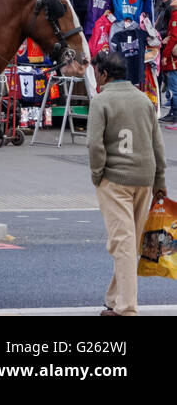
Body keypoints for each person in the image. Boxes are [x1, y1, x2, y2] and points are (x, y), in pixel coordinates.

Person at [87, 49, 167, 316]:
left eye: (96, 71)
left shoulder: (101, 101)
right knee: (127, 243)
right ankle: (114, 299)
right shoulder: (144, 100)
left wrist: (97, 175)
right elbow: (157, 143)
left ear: (104, 74)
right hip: (145, 178)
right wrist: (160, 180)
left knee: (122, 243)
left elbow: (94, 145)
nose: (95, 76)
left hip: (115, 179)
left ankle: (127, 309)